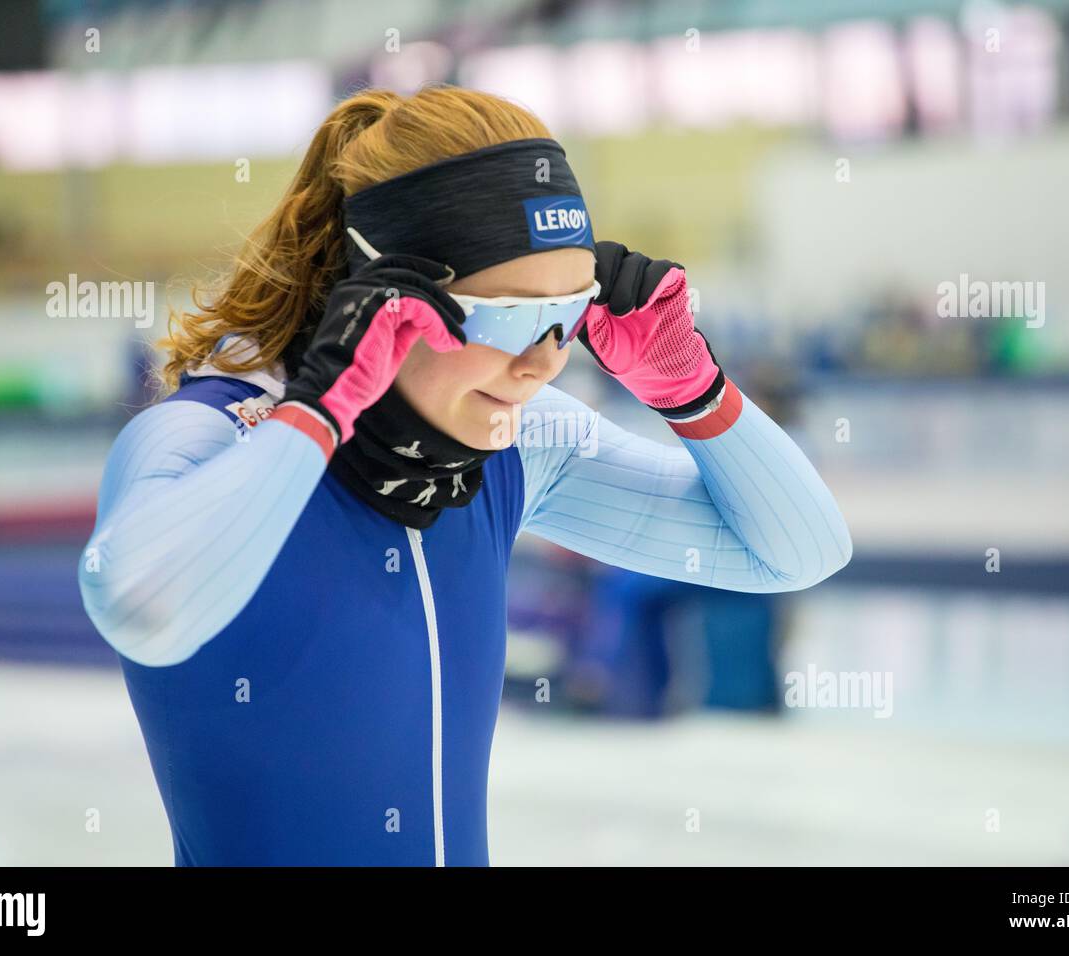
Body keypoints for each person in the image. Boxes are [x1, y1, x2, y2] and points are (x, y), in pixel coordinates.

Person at [78, 85, 852, 866]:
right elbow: (142, 606)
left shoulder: (513, 450)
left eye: (570, 317)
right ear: (384, 296)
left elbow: (796, 552)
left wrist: (693, 391)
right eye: (508, 316)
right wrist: (316, 415)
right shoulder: (208, 436)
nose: (540, 363)